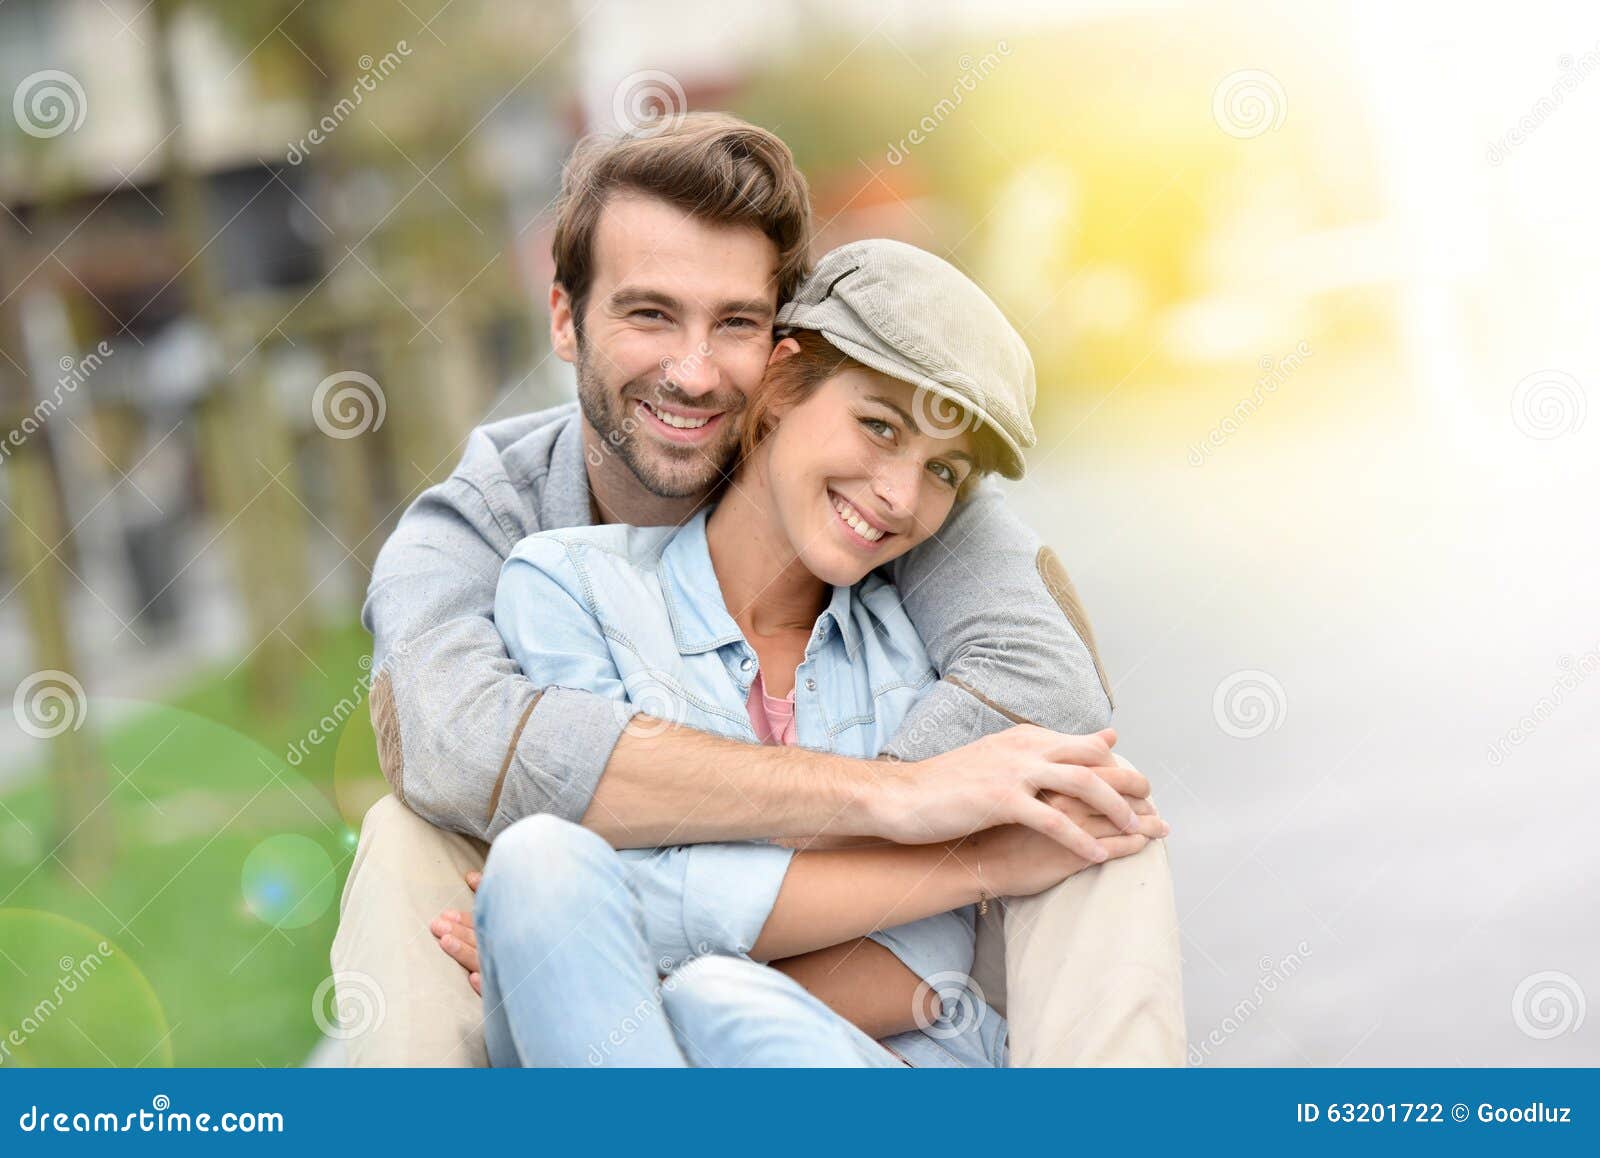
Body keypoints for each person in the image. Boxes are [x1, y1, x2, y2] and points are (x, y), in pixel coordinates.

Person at [333, 111, 1185, 1066]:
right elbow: (452, 743)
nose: (694, 374)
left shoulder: (893, 492)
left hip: (832, 1019)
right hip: (592, 949)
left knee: (1095, 827)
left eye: (734, 321)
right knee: (418, 838)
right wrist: (890, 803)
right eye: (649, 313)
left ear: (779, 346)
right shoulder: (498, 526)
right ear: (567, 319)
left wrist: (657, 978)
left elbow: (1051, 696)